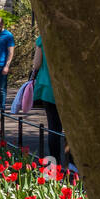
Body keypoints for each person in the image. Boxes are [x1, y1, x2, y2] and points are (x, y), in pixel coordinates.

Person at [30, 34, 71, 167]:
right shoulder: (71, 36)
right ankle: (72, 164)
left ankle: (54, 165)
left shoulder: (43, 38)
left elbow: (36, 63)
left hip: (48, 87)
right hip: (68, 89)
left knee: (54, 127)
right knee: (71, 128)